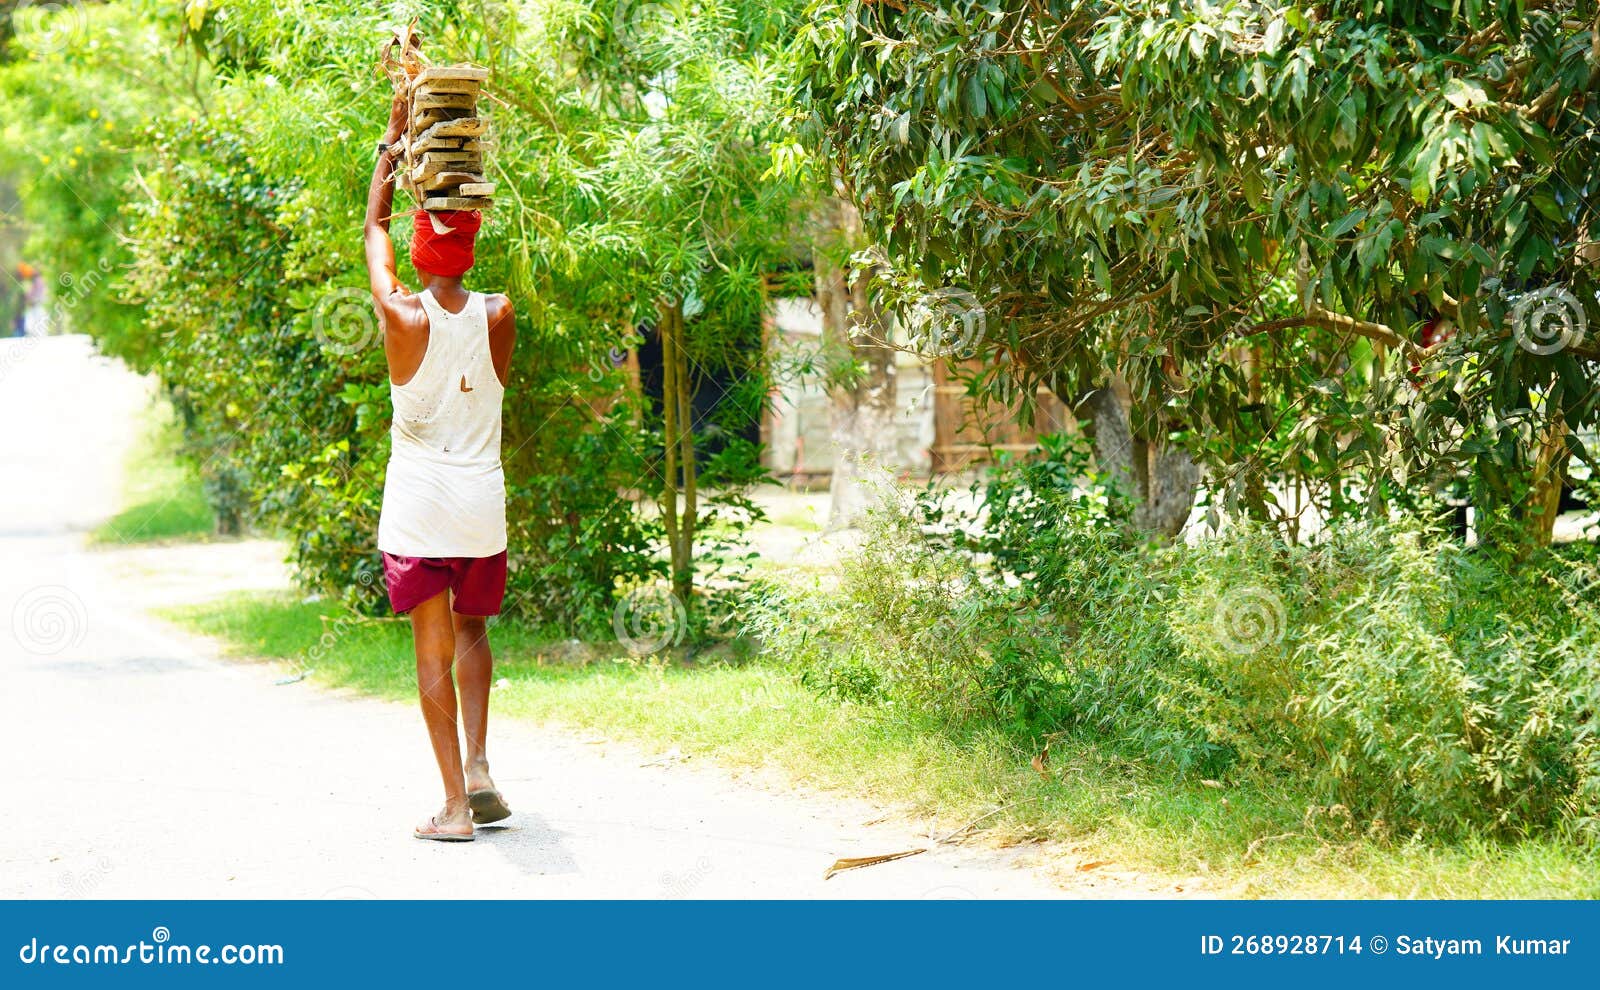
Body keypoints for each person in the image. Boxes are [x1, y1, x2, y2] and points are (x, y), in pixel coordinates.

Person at [363, 84, 517, 842]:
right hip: (481, 506)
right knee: (474, 634)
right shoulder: (499, 314)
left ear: (422, 254)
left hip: (420, 508)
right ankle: (483, 764)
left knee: (431, 648)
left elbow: (372, 233)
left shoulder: (399, 315)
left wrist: (391, 153)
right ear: (472, 247)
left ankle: (455, 806)